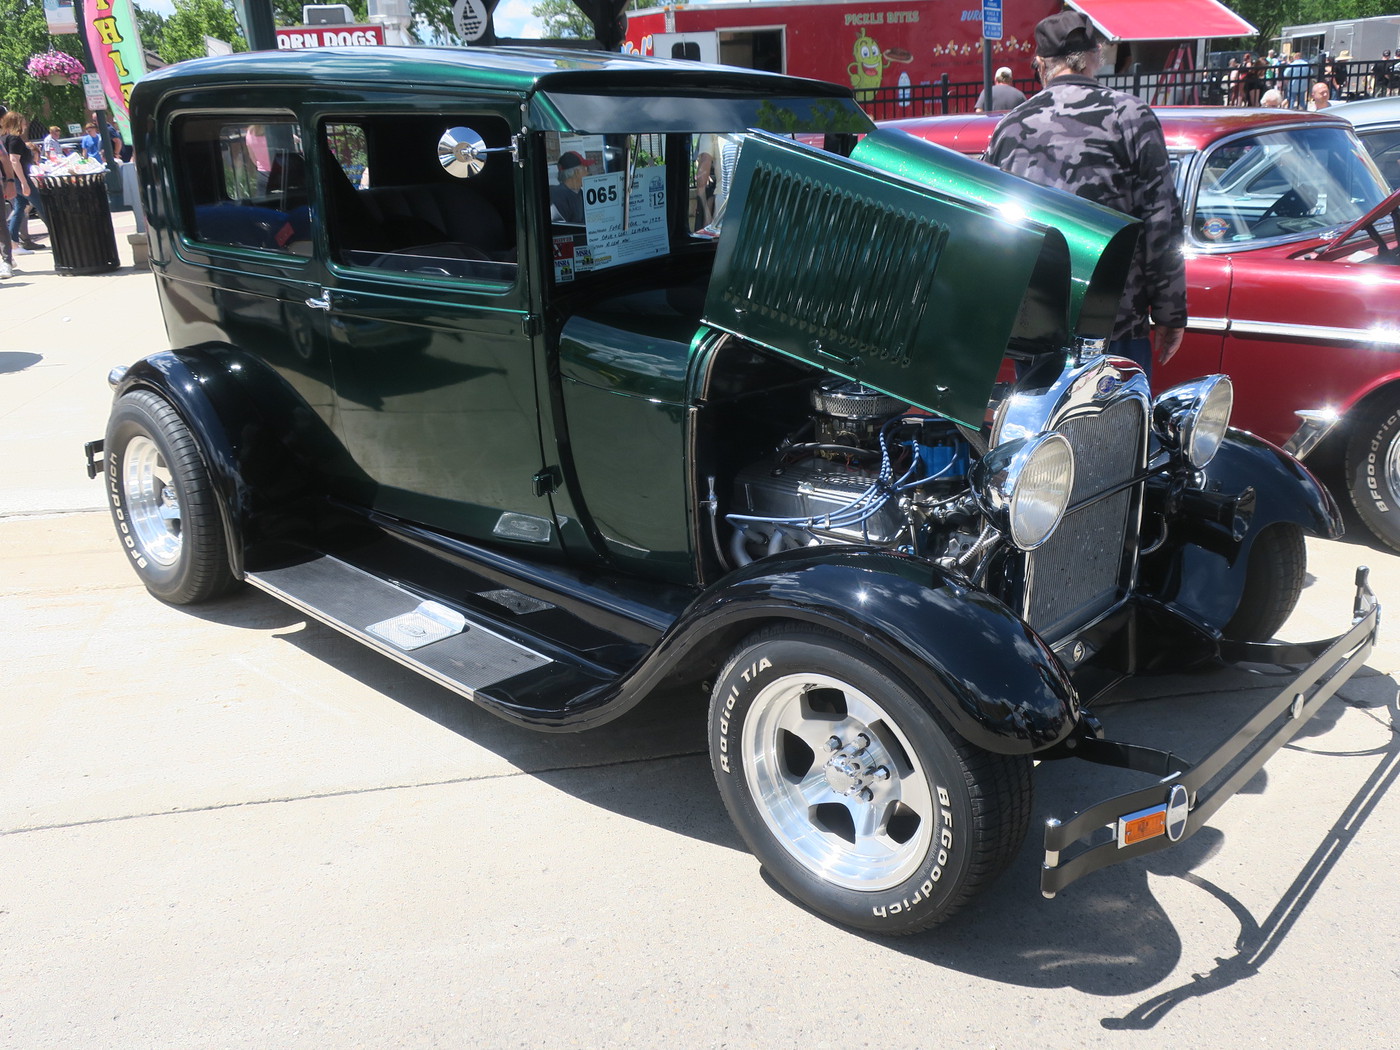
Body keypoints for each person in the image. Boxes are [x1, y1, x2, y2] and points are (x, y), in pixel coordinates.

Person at [986, 11, 1186, 379]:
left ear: (1041, 64)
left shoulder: (1009, 127)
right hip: (1115, 325)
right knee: (1118, 433)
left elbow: (991, 225)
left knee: (1041, 436)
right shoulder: (1131, 117)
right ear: (1095, 56)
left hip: (1036, 329)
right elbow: (1162, 220)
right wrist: (1171, 313)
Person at [1, 109, 46, 253]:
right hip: (19, 179)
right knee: (41, 204)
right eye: (23, 121)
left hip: (14, 180)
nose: (25, 124)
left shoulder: (5, 138)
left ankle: (13, 241)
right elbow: (14, 160)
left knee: (20, 208)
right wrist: (24, 182)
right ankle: (60, 234)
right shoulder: (14, 139)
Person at [549, 150, 593, 225]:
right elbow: (561, 229)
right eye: (585, 169)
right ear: (576, 172)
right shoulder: (557, 196)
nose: (587, 173)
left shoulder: (580, 193)